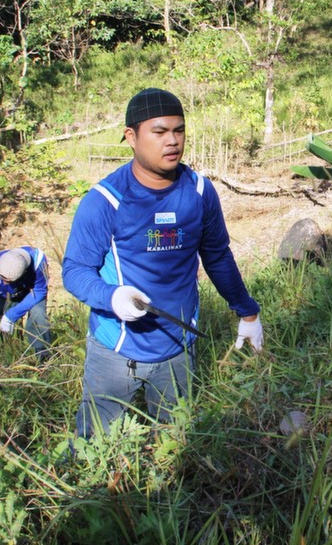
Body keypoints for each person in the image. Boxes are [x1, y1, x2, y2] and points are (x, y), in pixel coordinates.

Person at [62, 87, 263, 438]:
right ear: (131, 136)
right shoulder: (106, 199)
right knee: (96, 448)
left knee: (174, 445)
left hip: (177, 349)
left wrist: (247, 312)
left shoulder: (199, 192)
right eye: (159, 131)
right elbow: (75, 271)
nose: (172, 141)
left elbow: (217, 256)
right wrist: (111, 297)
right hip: (115, 351)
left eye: (179, 130)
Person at [0, 246, 51, 364]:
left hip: (32, 293)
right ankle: (12, 358)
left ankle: (43, 359)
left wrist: (11, 315)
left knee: (38, 316)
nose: (3, 282)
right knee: (7, 328)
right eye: (2, 278)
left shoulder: (38, 260)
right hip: (6, 295)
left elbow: (40, 291)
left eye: (7, 281)